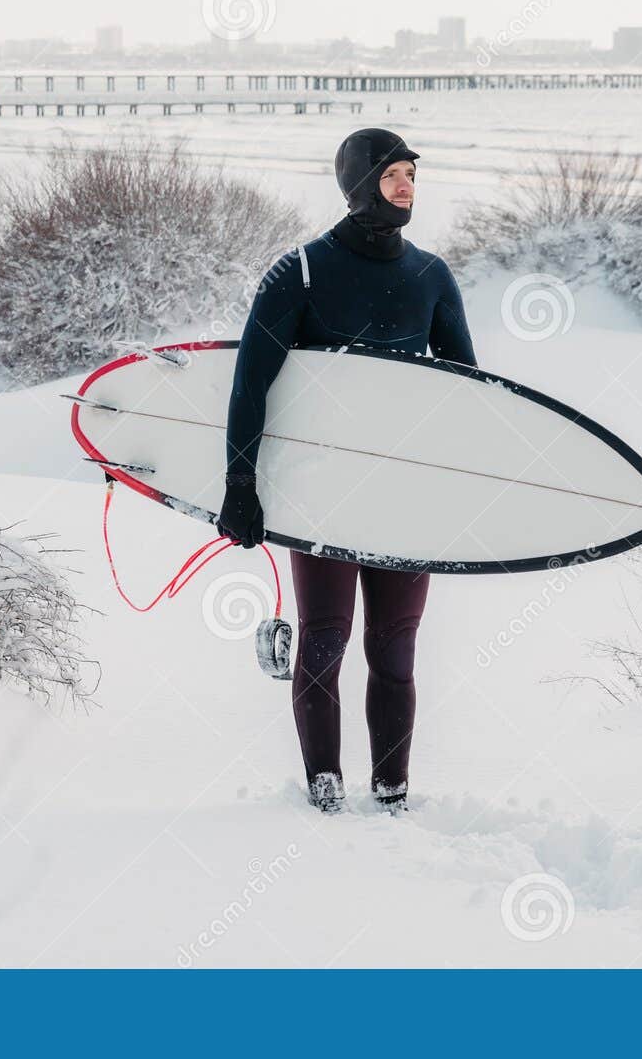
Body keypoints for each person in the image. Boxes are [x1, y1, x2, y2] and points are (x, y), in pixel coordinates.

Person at [217, 128, 477, 815]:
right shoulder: (298, 273)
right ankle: (323, 788)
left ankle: (391, 790)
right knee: (325, 642)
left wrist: (462, 495)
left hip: (402, 499)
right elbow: (251, 387)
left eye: (413, 176)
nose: (408, 186)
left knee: (395, 651)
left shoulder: (431, 277)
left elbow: (464, 399)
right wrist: (240, 485)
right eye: (395, 174)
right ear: (361, 183)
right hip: (321, 497)